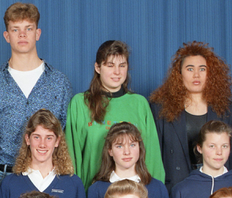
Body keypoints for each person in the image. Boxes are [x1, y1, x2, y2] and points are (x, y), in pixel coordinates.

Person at [0, 2, 73, 179]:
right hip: (3, 174)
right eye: (15, 29)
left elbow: (62, 129)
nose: (22, 34)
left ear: (38, 33)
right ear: (6, 36)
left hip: (46, 175)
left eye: (28, 28)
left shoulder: (59, 82)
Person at [66, 40, 163, 186]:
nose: (117, 72)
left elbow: (152, 156)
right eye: (110, 65)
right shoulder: (80, 103)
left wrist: (155, 192)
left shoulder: (139, 104)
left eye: (122, 65)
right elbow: (71, 157)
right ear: (98, 68)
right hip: (93, 194)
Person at [150, 41, 232, 193]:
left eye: (202, 69)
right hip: (175, 190)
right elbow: (154, 156)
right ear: (179, 74)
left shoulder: (227, 109)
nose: (196, 75)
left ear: (210, 74)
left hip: (219, 190)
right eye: (190, 69)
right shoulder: (161, 109)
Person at [0, 109, 86, 198]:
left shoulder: (73, 183)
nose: (42, 144)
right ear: (27, 139)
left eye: (49, 138)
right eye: (37, 137)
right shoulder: (10, 184)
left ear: (57, 141)